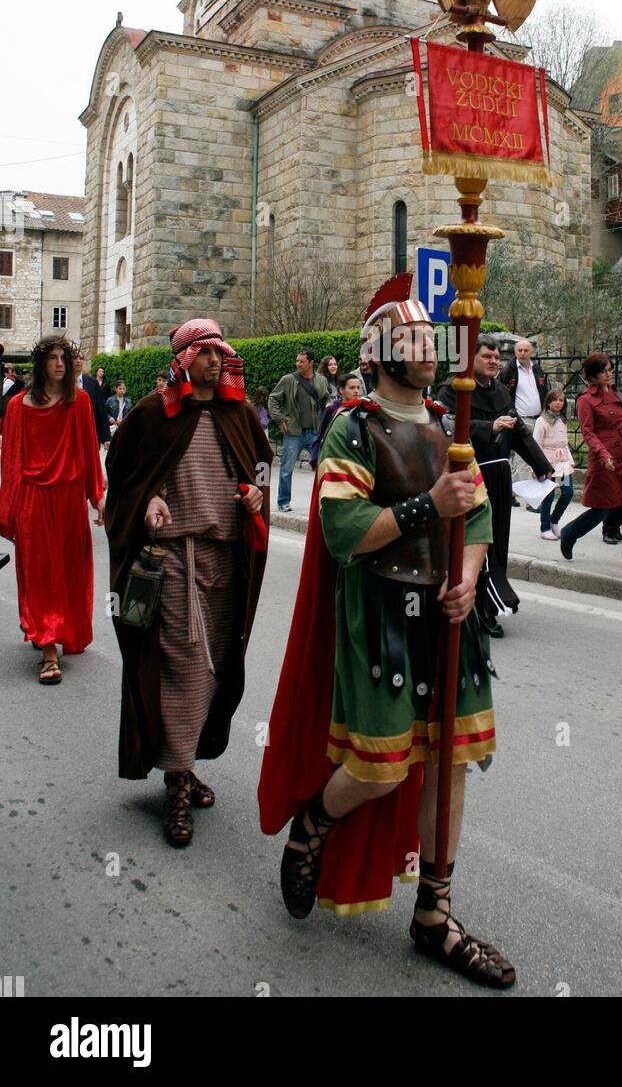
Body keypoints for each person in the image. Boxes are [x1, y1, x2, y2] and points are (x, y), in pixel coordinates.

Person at [258, 273, 514, 989]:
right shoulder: (353, 427)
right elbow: (345, 532)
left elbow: (480, 516)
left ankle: (434, 914)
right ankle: (313, 823)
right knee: (378, 766)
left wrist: (466, 577)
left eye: (431, 338)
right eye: (413, 339)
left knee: (451, 763)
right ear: (378, 352)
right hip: (381, 623)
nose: (428, 349)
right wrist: (427, 506)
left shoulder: (445, 422)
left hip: (448, 619)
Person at [105, 317, 272, 847]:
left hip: (226, 559)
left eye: (220, 351)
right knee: (184, 664)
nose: (216, 359)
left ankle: (182, 762)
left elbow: (263, 470)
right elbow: (123, 477)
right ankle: (177, 781)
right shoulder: (154, 413)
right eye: (205, 352)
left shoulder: (239, 413)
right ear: (184, 358)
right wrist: (149, 498)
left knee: (218, 663)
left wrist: (255, 495)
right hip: (174, 554)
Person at [0, 336, 106, 684]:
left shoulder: (80, 403)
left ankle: (55, 626)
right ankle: (48, 649)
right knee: (41, 573)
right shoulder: (17, 406)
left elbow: (90, 453)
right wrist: (8, 510)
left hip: (69, 501)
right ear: (41, 363)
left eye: (66, 357)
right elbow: (11, 462)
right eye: (54, 358)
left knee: (70, 570)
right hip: (33, 502)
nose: (61, 364)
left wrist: (98, 497)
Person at [436, 335, 553, 638]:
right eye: (487, 356)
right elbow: (443, 427)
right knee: (477, 545)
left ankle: (487, 603)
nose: (493, 361)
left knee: (497, 543)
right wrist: (490, 427)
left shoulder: (501, 390)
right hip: (471, 478)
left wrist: (541, 466)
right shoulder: (452, 390)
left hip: (499, 476)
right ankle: (481, 611)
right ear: (470, 359)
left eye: (497, 357)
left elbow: (519, 432)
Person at [559, 352, 622, 572]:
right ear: (592, 375)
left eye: (610, 369)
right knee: (601, 510)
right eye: (604, 370)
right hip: (605, 461)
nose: (610, 373)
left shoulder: (616, 395)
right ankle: (569, 533)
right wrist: (603, 455)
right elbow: (588, 433)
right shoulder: (585, 400)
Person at [268, 347, 331, 512]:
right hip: (293, 432)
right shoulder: (288, 380)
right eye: (297, 361)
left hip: (315, 432)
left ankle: (324, 503)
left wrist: (329, 409)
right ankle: (283, 502)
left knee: (322, 468)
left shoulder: (321, 381)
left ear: (311, 363)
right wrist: (280, 418)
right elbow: (273, 399)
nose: (298, 364)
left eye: (302, 361)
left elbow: (326, 399)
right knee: (286, 470)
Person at [499, 338, 547, 484]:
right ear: (515, 352)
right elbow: (502, 394)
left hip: (538, 418)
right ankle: (529, 498)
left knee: (533, 456)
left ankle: (511, 488)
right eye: (520, 350)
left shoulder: (537, 369)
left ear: (531, 352)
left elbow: (544, 390)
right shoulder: (509, 370)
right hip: (521, 419)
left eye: (526, 350)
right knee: (524, 459)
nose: (523, 353)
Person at [532, 385, 575, 539]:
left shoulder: (562, 420)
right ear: (548, 402)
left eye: (561, 400)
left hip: (562, 463)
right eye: (555, 400)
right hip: (547, 462)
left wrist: (570, 460)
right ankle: (545, 528)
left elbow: (564, 442)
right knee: (548, 495)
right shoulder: (541, 421)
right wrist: (536, 466)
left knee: (568, 493)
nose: (558, 403)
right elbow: (536, 444)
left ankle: (554, 520)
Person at [72, 346, 111, 449]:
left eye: (81, 358)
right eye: (75, 358)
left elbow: (100, 409)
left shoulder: (92, 382)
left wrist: (106, 436)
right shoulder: (63, 383)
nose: (78, 361)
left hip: (90, 433)